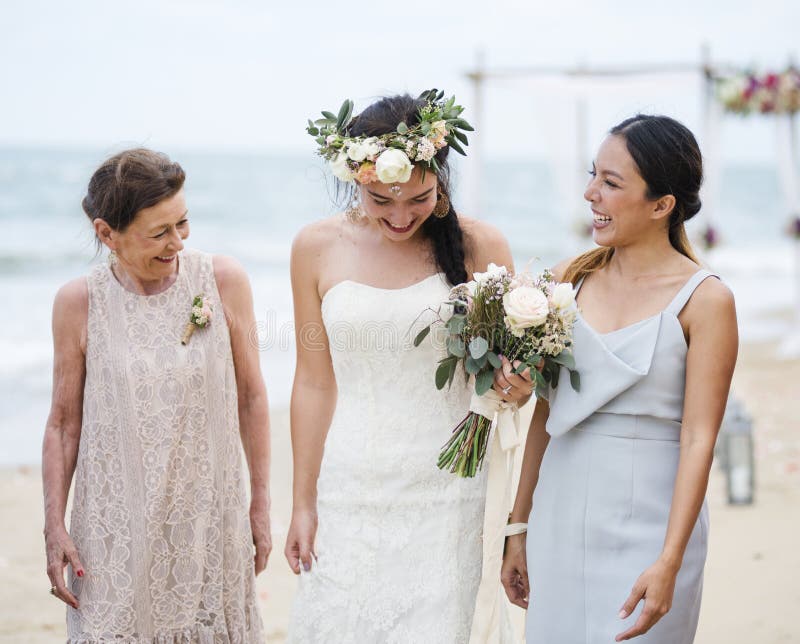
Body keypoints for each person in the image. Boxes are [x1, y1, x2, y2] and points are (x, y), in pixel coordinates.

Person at [285, 91, 532, 643]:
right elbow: (313, 382)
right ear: (354, 177)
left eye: (419, 198)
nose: (400, 217)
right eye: (381, 200)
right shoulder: (314, 248)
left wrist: (516, 384)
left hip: (451, 490)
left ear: (440, 177)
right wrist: (302, 502)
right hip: (351, 485)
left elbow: (509, 377)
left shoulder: (480, 245)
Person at [501, 115, 738, 643]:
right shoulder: (568, 280)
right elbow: (546, 415)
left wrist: (670, 560)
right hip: (559, 519)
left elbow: (699, 439)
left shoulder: (707, 300)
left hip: (653, 530)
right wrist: (518, 526)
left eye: (610, 182)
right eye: (593, 175)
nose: (591, 193)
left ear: (662, 205)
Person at [41, 148, 270, 642]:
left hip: (207, 522)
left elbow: (252, 397)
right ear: (107, 234)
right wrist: (53, 525)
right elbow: (62, 423)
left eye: (182, 223)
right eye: (159, 232)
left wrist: (261, 503)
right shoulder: (78, 303)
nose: (178, 243)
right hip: (113, 532)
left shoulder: (223, 281)